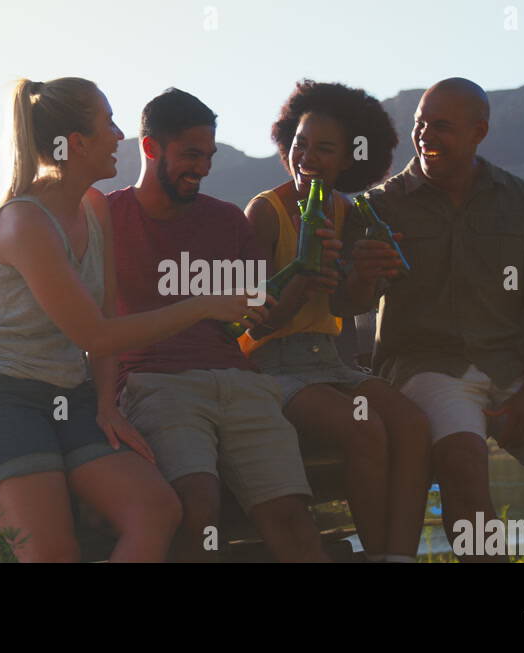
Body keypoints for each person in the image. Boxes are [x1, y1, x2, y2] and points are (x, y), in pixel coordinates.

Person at [0, 78, 264, 563]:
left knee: (156, 511)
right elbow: (92, 332)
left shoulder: (94, 208)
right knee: (51, 553)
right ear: (76, 143)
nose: (119, 135)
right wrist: (201, 304)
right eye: (109, 123)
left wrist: (107, 406)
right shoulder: (24, 222)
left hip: (69, 396)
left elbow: (107, 312)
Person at [337, 77, 524, 562]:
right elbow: (344, 303)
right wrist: (360, 275)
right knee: (461, 468)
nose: (425, 137)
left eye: (441, 126)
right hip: (426, 368)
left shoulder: (521, 201)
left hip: (516, 363)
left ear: (479, 131)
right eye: (419, 125)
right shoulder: (377, 207)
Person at [108, 88, 330, 562]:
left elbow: (259, 318)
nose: (203, 168)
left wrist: (308, 274)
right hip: (153, 382)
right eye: (191, 155)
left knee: (290, 511)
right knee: (197, 503)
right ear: (150, 148)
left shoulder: (227, 220)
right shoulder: (105, 219)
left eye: (208, 155)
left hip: (239, 380)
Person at [241, 80, 431, 563]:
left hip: (331, 362)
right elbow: (254, 323)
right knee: (363, 429)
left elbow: (347, 307)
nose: (306, 157)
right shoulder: (265, 212)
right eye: (300, 143)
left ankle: (398, 556)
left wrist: (368, 275)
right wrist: (304, 275)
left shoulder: (347, 211)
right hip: (273, 367)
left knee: (411, 423)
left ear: (350, 160)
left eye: (324, 149)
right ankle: (378, 552)